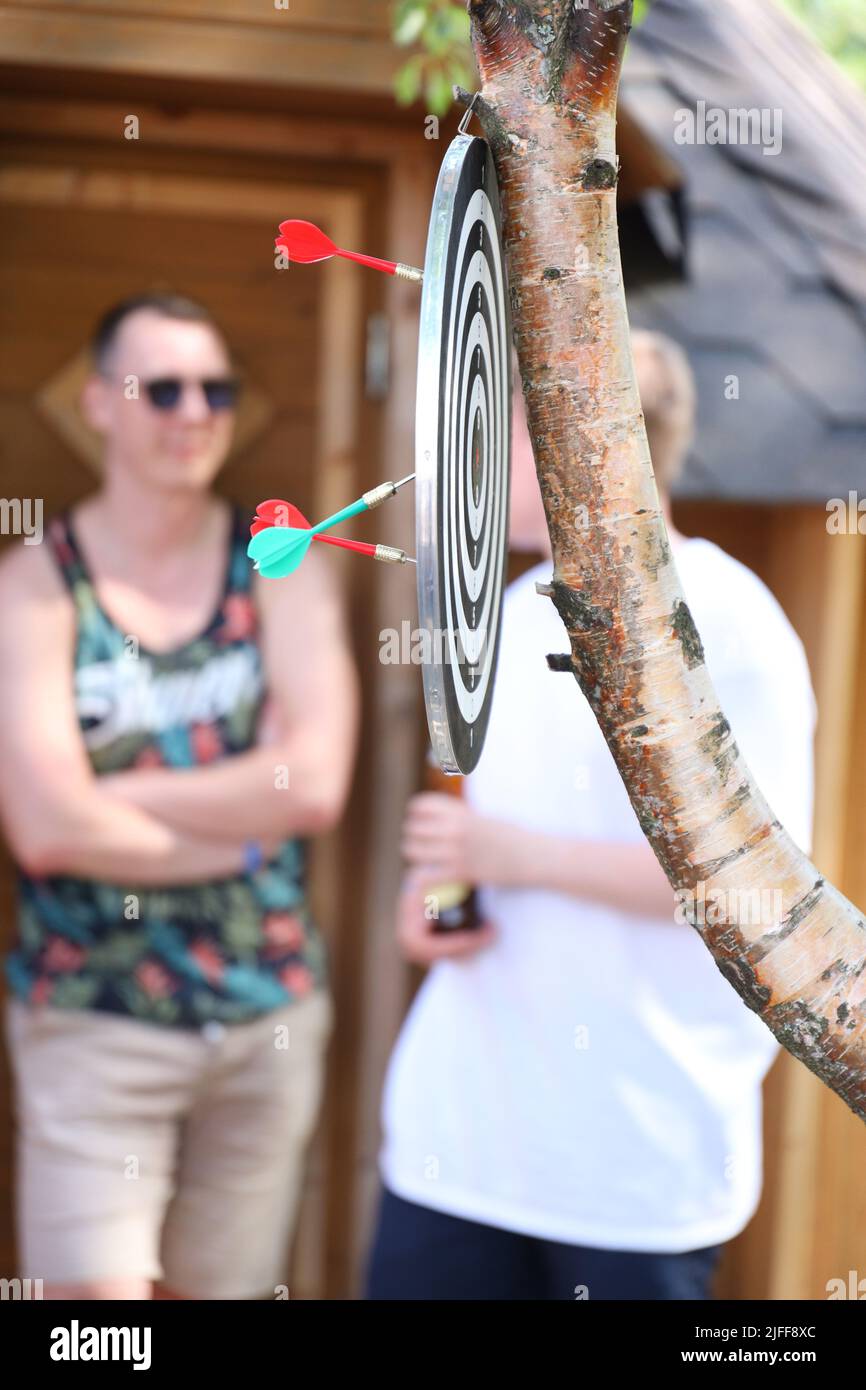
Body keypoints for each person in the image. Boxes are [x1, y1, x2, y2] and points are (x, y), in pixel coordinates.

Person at [366, 332, 816, 1301]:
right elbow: (483, 834)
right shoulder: (510, 609)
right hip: (459, 1144)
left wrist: (514, 856)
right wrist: (439, 901)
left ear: (594, 444)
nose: (480, 459)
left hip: (635, 1160)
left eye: (508, 435)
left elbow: (750, 893)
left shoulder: (727, 624)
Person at [0, 292, 359, 1300]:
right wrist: (240, 831)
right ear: (97, 403)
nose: (194, 411)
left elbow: (314, 783)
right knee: (95, 1319)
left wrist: (122, 793)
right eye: (162, 389)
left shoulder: (278, 563)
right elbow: (45, 826)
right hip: (91, 1016)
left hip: (263, 1016)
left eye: (216, 389)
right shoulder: (38, 584)